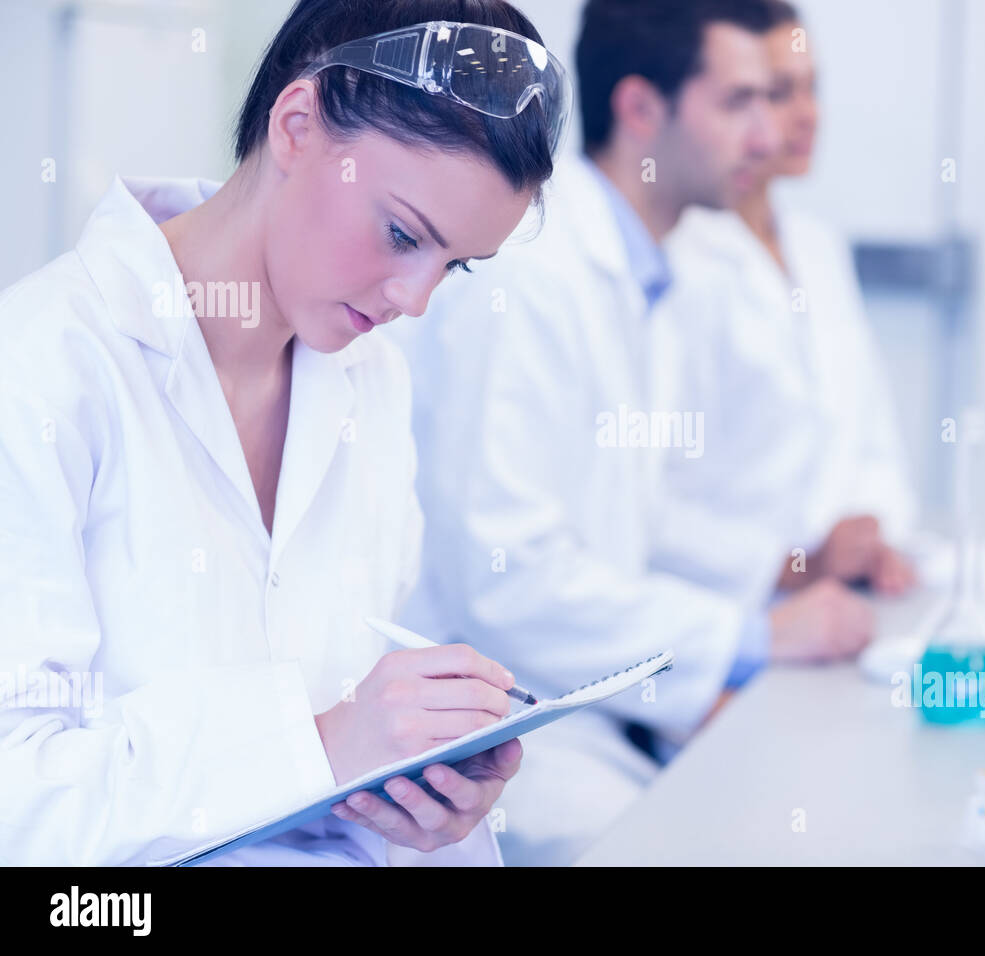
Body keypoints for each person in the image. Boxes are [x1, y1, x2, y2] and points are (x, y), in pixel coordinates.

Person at [0, 0, 568, 866]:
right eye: (400, 234)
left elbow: (354, 730)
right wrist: (322, 745)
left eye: (452, 267)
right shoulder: (42, 367)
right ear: (297, 125)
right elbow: (20, 802)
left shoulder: (371, 381)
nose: (412, 300)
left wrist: (420, 788)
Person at [391, 0, 877, 867]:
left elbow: (634, 524)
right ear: (641, 109)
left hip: (589, 703)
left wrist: (778, 580)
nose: (769, 139)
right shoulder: (533, 278)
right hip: (500, 739)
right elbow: (507, 578)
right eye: (739, 104)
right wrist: (750, 641)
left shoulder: (655, 274)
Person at [665, 0, 919, 599]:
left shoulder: (818, 246)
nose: (807, 115)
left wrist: (872, 538)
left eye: (813, 89)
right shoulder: (680, 255)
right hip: (725, 607)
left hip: (845, 598)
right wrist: (796, 562)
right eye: (780, 92)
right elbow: (655, 500)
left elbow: (871, 437)